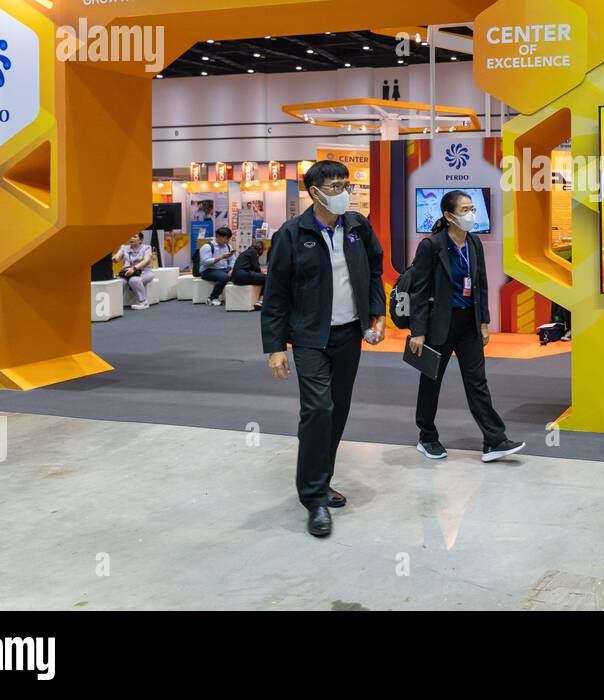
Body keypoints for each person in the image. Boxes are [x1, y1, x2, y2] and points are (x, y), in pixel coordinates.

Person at [261, 160, 386, 538]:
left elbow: (375, 270)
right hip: (309, 337)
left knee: (338, 409)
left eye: (346, 184)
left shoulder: (357, 226)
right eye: (335, 186)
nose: (344, 191)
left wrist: (376, 313)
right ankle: (313, 498)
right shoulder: (292, 234)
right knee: (317, 409)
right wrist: (275, 346)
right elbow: (276, 294)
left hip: (350, 334)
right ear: (314, 192)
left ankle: (322, 478)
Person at [407, 190, 525, 463]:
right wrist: (418, 331)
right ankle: (427, 436)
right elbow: (420, 291)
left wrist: (484, 321)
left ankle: (494, 440)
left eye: (472, 208)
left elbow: (481, 285)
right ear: (449, 216)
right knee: (431, 381)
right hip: (438, 324)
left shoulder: (473, 243)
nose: (471, 214)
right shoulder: (432, 246)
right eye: (464, 210)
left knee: (477, 382)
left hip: (468, 323)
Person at [113, 234, 155, 310]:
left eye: (134, 237)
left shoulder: (147, 248)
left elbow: (146, 260)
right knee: (120, 282)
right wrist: (115, 258)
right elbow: (117, 257)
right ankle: (116, 304)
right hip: (127, 273)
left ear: (141, 240)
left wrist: (134, 268)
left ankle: (143, 302)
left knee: (134, 280)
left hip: (144, 272)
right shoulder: (124, 248)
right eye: (130, 236)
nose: (131, 238)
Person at [197, 226, 235, 306]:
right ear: (217, 236)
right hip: (207, 270)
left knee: (239, 273)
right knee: (224, 277)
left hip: (223, 269)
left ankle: (234, 298)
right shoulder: (207, 247)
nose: (226, 241)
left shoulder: (228, 246)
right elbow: (205, 262)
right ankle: (212, 298)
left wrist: (232, 268)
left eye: (228, 239)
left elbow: (232, 259)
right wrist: (221, 257)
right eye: (225, 238)